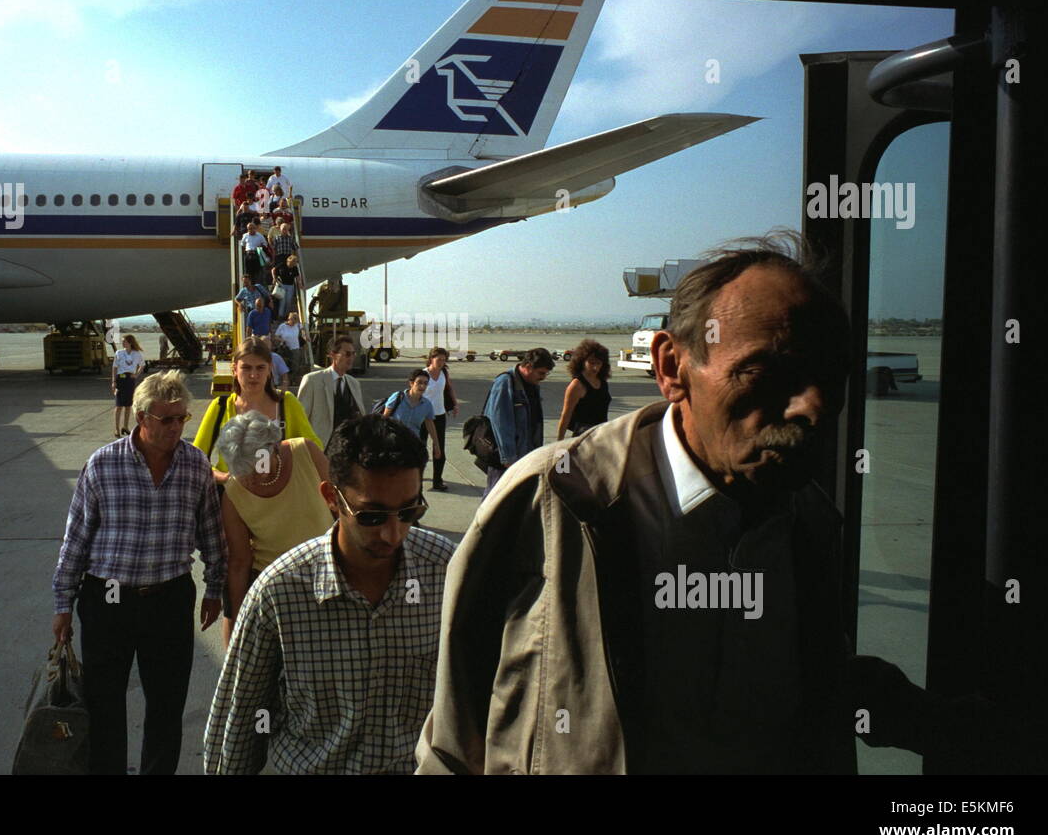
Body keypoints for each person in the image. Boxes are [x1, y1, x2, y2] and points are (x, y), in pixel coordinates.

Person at [415, 231, 985, 774]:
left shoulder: (806, 517)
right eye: (769, 371)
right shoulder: (554, 499)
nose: (812, 405)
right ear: (672, 368)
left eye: (828, 377)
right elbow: (452, 739)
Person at [204, 415, 457, 774]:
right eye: (372, 516)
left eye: (409, 511)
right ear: (331, 498)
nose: (393, 534)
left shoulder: (446, 571)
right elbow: (241, 718)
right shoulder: (280, 592)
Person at [52, 370, 226, 775]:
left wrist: (214, 588)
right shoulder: (102, 464)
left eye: (182, 417)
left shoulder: (196, 465)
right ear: (142, 417)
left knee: (166, 706)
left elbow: (212, 534)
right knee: (104, 705)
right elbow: (75, 539)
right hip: (106, 602)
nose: (177, 427)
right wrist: (63, 604)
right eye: (167, 419)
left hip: (168, 600)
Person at [212, 411, 334, 646]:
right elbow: (239, 562)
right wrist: (240, 620)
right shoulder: (234, 494)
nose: (251, 478)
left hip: (325, 574)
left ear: (273, 447)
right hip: (274, 586)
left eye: (257, 467)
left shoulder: (305, 452)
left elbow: (343, 507)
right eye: (242, 471)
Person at [193, 338, 321, 482]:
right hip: (236, 498)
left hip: (282, 497)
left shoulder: (286, 402)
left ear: (269, 369)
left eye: (260, 367)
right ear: (234, 369)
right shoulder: (220, 406)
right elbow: (196, 458)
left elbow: (315, 448)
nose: (253, 375)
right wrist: (224, 478)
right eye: (246, 368)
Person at [481, 347, 553, 497]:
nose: (543, 377)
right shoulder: (505, 383)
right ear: (528, 367)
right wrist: (508, 457)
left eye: (546, 373)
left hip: (525, 452)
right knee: (496, 497)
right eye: (541, 373)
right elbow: (500, 423)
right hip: (506, 457)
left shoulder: (532, 385)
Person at [297, 335, 364, 447]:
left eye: (353, 354)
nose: (351, 358)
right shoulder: (312, 380)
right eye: (347, 354)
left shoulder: (354, 384)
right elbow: (300, 418)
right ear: (333, 355)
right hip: (320, 447)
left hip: (347, 449)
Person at [555, 339, 613, 440]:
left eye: (599, 363)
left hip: (601, 434)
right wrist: (559, 443)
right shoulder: (577, 385)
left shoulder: (602, 382)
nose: (595, 367)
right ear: (582, 361)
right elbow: (565, 416)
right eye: (591, 363)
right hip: (583, 437)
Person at [382, 369, 442, 464]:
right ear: (411, 383)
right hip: (393, 444)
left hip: (412, 445)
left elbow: (430, 425)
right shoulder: (397, 397)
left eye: (425, 383)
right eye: (419, 382)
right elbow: (384, 419)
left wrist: (437, 445)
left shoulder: (427, 405)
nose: (422, 386)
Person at [421, 347, 459, 491]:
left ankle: (437, 481)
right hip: (423, 416)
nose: (442, 362)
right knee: (420, 447)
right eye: (439, 359)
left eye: (444, 360)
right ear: (431, 358)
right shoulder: (423, 374)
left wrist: (455, 404)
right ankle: (417, 476)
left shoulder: (443, 372)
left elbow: (449, 388)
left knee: (439, 448)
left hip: (439, 415)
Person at [110, 334, 145, 437]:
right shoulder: (119, 353)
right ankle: (116, 429)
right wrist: (113, 381)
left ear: (130, 342)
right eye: (122, 341)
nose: (123, 343)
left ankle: (125, 427)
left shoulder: (136, 354)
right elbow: (114, 367)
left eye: (124, 341)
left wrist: (136, 374)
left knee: (128, 406)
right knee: (119, 405)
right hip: (120, 379)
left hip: (130, 380)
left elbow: (142, 365)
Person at [274, 312, 309, 379]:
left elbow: (303, 330)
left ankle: (293, 379)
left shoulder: (298, 325)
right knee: (285, 365)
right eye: (293, 321)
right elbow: (275, 336)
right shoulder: (282, 326)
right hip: (285, 349)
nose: (294, 323)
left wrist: (305, 336)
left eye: (295, 321)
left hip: (295, 348)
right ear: (289, 319)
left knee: (295, 365)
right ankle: (284, 379)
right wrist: (282, 340)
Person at [272, 253, 300, 319]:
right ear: (288, 261)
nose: (292, 265)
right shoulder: (282, 265)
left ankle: (286, 315)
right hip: (282, 285)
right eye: (291, 263)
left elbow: (297, 277)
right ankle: (280, 316)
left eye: (294, 264)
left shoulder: (294, 268)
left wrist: (300, 283)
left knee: (289, 301)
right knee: (283, 301)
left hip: (290, 286)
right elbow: (273, 270)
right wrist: (274, 278)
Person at [241, 221, 269, 286]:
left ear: (255, 228)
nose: (250, 230)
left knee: (257, 271)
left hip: (257, 254)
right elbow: (242, 244)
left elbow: (265, 244)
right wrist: (245, 251)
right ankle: (249, 285)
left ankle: (256, 285)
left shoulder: (260, 235)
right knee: (248, 271)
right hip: (248, 254)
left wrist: (260, 247)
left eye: (252, 228)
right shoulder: (245, 235)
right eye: (249, 229)